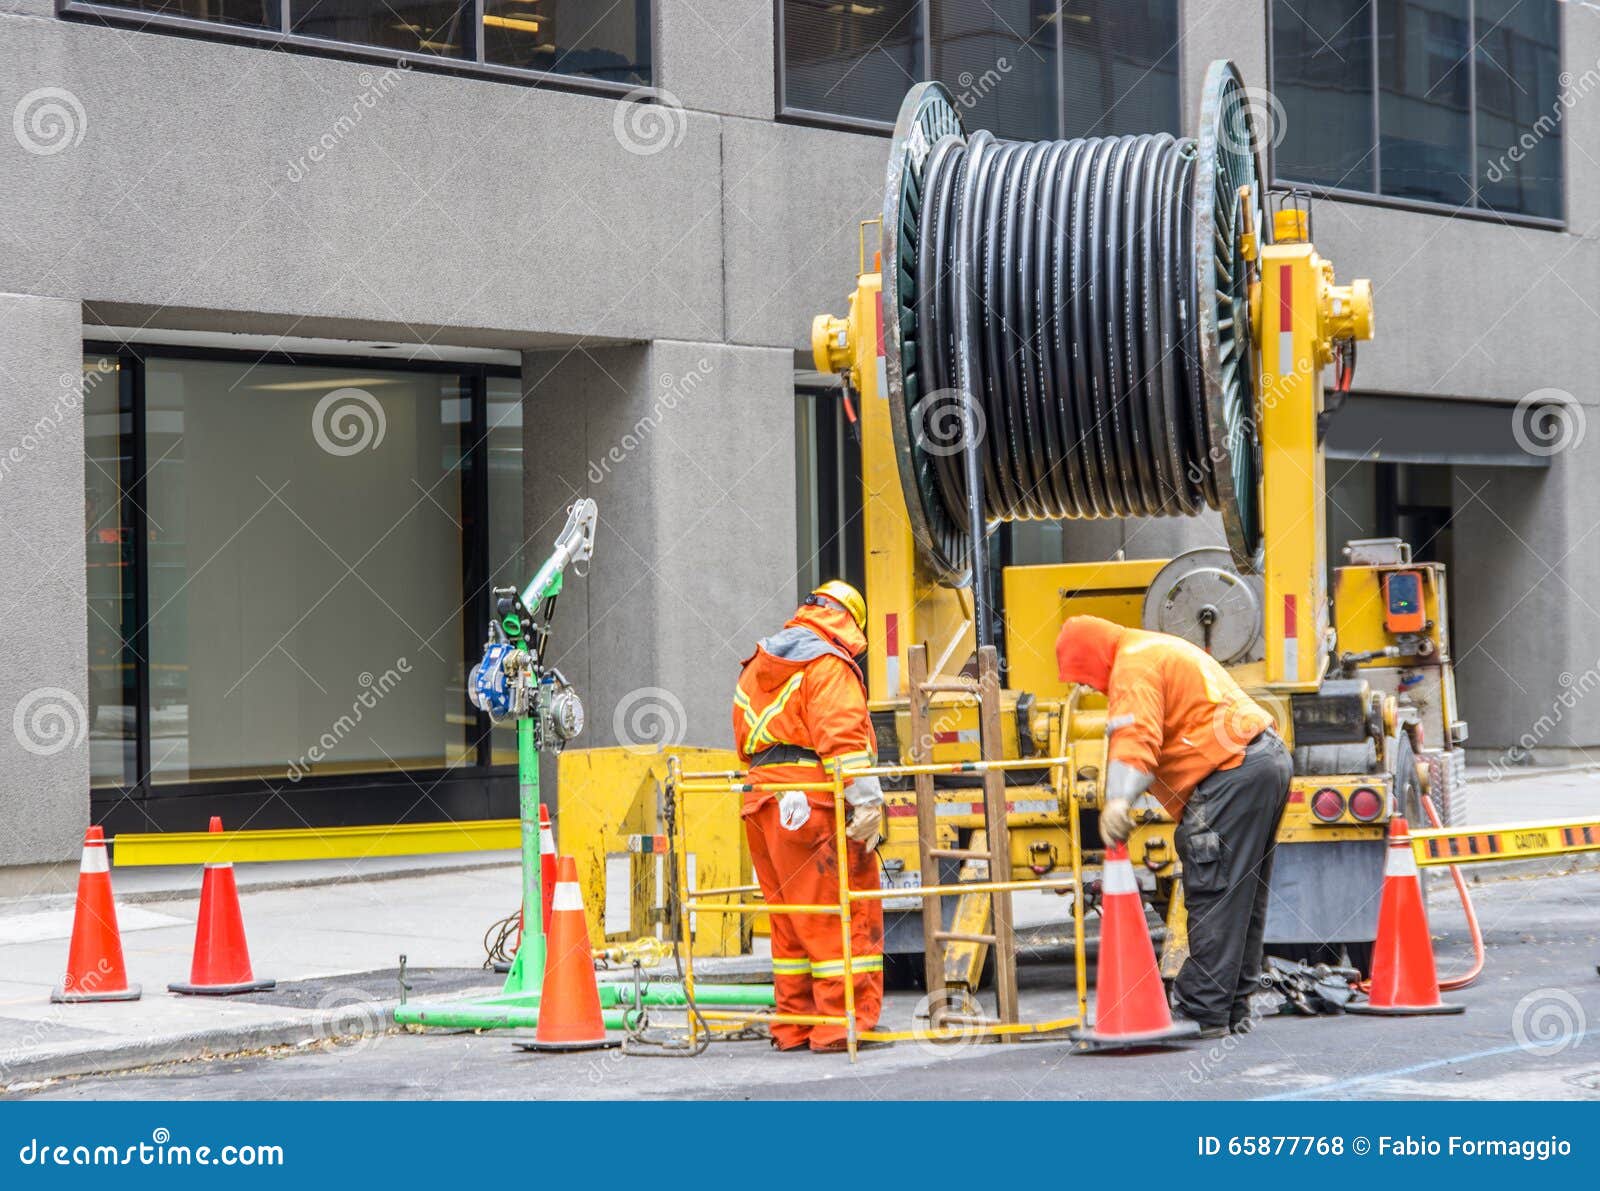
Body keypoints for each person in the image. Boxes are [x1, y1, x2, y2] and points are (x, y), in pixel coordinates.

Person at [1055, 614, 1292, 1038]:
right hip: (1262, 760)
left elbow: (1135, 739)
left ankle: (1203, 1011)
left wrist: (1118, 802)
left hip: (1231, 771)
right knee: (1242, 892)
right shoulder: (1153, 648)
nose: (1089, 689)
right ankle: (1230, 1005)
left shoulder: (1132, 665)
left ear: (1092, 658)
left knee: (1215, 890)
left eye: (1085, 679)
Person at [732, 580, 884, 1052]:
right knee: (838, 913)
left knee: (791, 920)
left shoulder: (759, 665)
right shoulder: (826, 664)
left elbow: (744, 742)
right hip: (813, 800)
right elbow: (842, 741)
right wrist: (868, 802)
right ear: (848, 623)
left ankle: (794, 1024)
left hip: (762, 800)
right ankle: (842, 1026)